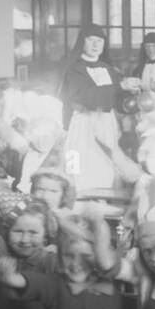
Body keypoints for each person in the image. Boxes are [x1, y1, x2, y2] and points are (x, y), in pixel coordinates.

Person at [58, 26, 141, 197]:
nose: (96, 45)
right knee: (78, 167)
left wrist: (128, 99)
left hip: (106, 125)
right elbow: (86, 96)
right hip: (82, 125)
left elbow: (114, 99)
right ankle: (79, 200)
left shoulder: (108, 69)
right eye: (91, 40)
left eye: (100, 41)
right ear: (82, 42)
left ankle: (105, 205)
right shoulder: (74, 69)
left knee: (107, 166)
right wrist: (120, 86)